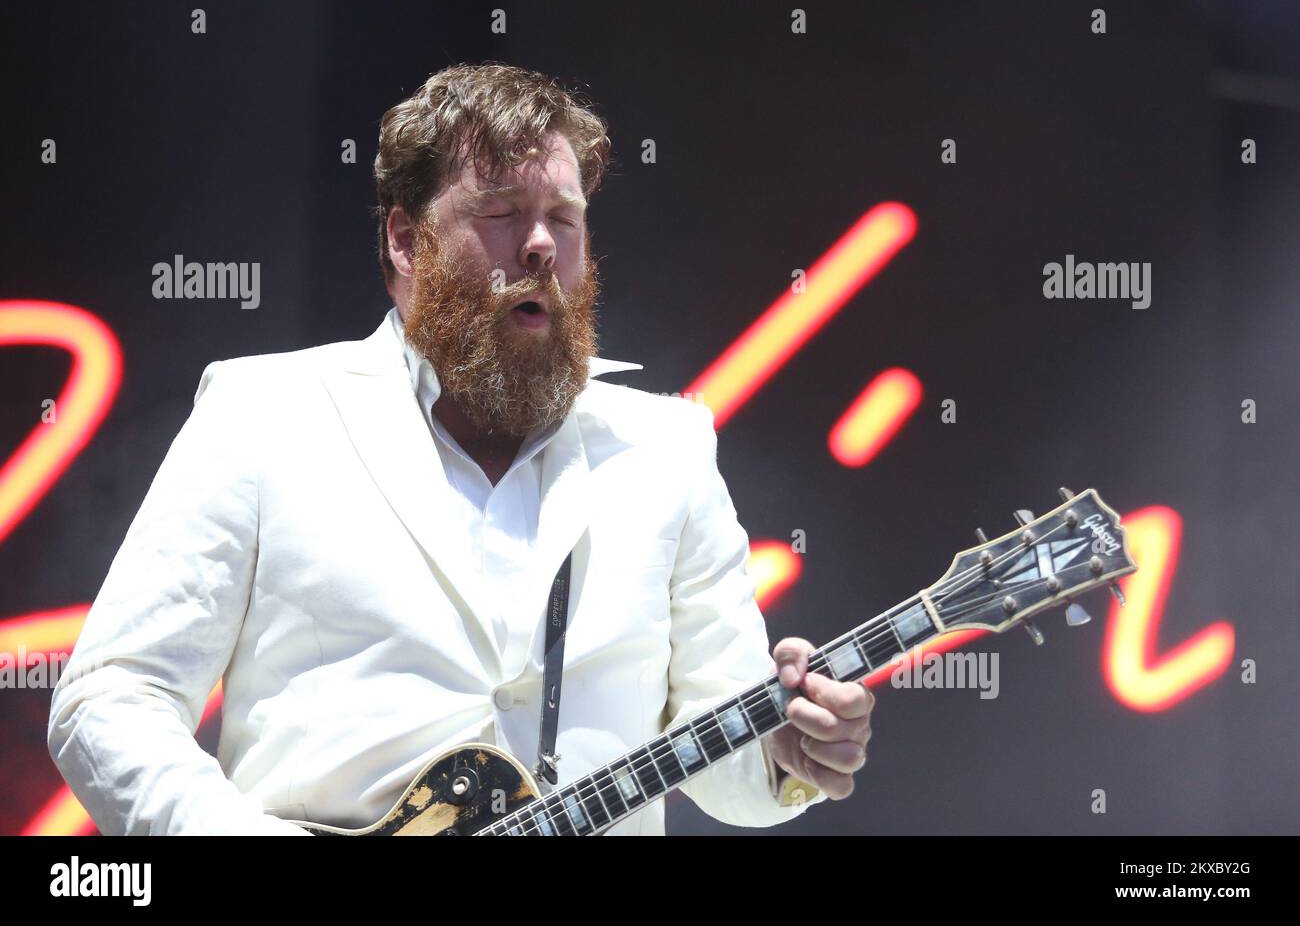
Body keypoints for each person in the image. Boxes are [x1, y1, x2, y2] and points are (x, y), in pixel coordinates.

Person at [47, 62, 873, 836]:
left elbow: (724, 755)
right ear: (406, 243)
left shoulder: (668, 447)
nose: (543, 245)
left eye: (565, 218)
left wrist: (783, 751)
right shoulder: (265, 413)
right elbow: (110, 698)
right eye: (503, 213)